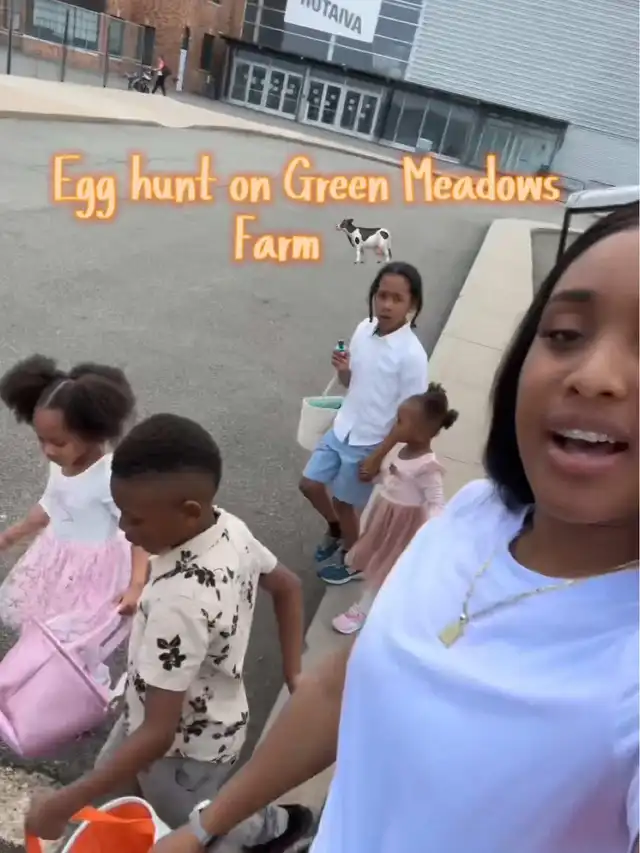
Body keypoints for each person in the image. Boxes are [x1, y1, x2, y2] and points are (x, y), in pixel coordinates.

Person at [145, 203, 639, 853]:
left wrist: (381, 449)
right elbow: (340, 686)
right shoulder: (475, 514)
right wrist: (203, 827)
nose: (594, 376)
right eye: (566, 333)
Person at [25, 413, 311, 850]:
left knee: (200, 823)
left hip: (184, 755)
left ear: (189, 512)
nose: (124, 530)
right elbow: (288, 587)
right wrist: (295, 675)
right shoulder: (228, 528)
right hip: (172, 716)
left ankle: (271, 830)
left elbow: (158, 735)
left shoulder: (179, 604)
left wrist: (62, 803)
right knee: (116, 788)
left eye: (135, 520)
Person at [299, 261, 428, 585]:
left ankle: (354, 561)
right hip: (342, 427)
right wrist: (343, 370)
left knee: (345, 504)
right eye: (382, 295)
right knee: (309, 485)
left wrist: (378, 456)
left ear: (412, 304)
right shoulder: (363, 329)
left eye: (397, 299)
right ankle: (336, 529)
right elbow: (351, 382)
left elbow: (410, 418)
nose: (387, 305)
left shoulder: (412, 356)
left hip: (370, 442)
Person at [0, 355, 148, 635]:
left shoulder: (109, 478)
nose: (48, 451)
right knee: (45, 613)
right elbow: (52, 502)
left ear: (94, 434)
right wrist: (12, 535)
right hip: (57, 552)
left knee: (79, 631)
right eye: (41, 439)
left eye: (58, 442)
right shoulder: (60, 464)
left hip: (93, 568)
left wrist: (136, 584)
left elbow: (138, 532)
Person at [332, 382, 457, 635]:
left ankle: (362, 610)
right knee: (380, 561)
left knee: (386, 565)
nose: (394, 426)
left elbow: (436, 501)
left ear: (422, 430)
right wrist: (377, 477)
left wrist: (435, 530)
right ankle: (383, 600)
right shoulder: (403, 451)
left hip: (402, 525)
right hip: (385, 516)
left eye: (400, 421)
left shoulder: (427, 467)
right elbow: (395, 481)